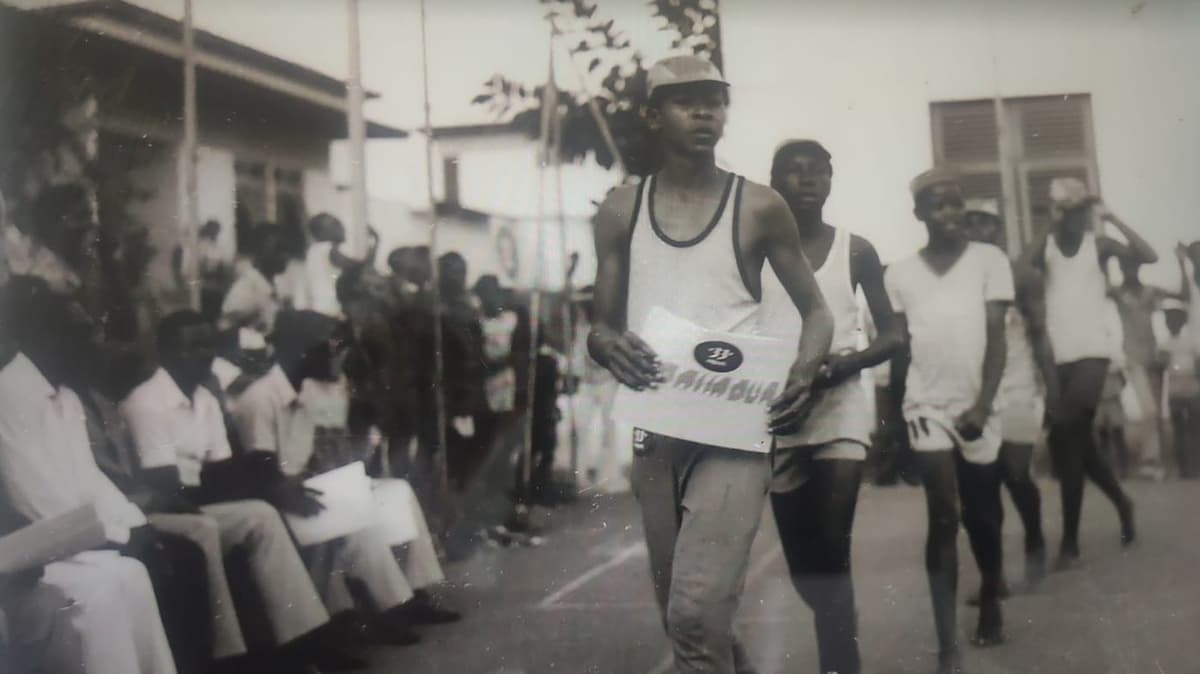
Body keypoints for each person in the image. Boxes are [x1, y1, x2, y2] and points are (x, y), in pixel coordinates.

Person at [589, 55, 833, 674]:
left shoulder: (758, 206)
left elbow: (817, 313)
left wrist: (803, 374)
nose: (704, 111)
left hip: (733, 428)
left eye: (715, 99)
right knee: (685, 614)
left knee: (695, 617)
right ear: (651, 115)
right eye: (685, 100)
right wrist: (604, 344)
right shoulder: (621, 208)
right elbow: (601, 325)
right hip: (657, 426)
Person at [120, 309, 370, 673]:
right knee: (260, 515)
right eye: (192, 346)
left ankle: (308, 641)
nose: (203, 353)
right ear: (166, 352)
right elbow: (166, 486)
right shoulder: (146, 402)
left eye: (208, 344)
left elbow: (221, 471)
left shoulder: (204, 397)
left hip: (197, 501)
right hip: (164, 511)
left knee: (268, 513)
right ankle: (248, 653)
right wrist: (262, 490)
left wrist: (271, 489)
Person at [0, 277, 200, 674]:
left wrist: (135, 525)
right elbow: (39, 502)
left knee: (135, 573)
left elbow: (92, 481)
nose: (96, 342)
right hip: (38, 553)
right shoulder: (7, 398)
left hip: (78, 544)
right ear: (48, 338)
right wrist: (122, 536)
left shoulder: (67, 398)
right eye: (84, 332)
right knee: (107, 585)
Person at [757, 139, 904, 674]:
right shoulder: (754, 251)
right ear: (774, 182)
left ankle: (841, 662)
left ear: (831, 180)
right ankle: (841, 629)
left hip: (841, 409)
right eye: (794, 173)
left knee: (832, 542)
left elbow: (892, 335)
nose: (808, 181)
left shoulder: (856, 249)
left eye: (818, 172)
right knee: (805, 566)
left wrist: (843, 364)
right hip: (780, 417)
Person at [231, 310, 460, 647]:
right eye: (333, 345)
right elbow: (262, 470)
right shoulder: (259, 399)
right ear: (303, 350)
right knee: (356, 522)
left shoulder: (309, 391)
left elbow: (322, 452)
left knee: (397, 492)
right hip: (282, 497)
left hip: (310, 486)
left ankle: (415, 593)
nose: (341, 353)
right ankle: (390, 610)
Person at [886, 170, 1012, 672]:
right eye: (939, 207)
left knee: (983, 514)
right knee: (943, 513)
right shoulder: (899, 274)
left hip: (979, 404)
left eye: (957, 206)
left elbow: (997, 340)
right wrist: (896, 424)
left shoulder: (989, 261)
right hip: (926, 407)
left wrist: (983, 405)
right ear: (919, 215)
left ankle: (992, 597)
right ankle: (946, 643)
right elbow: (899, 352)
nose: (952, 216)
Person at [1022, 176, 1142, 565]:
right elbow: (1022, 268)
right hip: (1059, 357)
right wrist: (1050, 224)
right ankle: (1122, 503)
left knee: (1067, 431)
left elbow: (1147, 255)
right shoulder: (1050, 247)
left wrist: (1114, 217)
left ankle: (1069, 542)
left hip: (1092, 353)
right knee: (1078, 444)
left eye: (1080, 211)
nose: (1075, 219)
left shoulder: (1099, 244)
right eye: (1068, 212)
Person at [962, 198, 1057, 597]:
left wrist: (1053, 393)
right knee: (980, 489)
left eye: (986, 224)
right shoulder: (958, 277)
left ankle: (1034, 538)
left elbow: (1040, 337)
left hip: (1019, 386)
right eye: (970, 223)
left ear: (999, 230)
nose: (977, 231)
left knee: (1016, 474)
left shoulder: (1021, 276)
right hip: (975, 389)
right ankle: (992, 575)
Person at [1110, 250, 1170, 478]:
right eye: (1125, 265)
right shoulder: (1116, 292)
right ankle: (1149, 460)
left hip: (1153, 357)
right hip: (1133, 358)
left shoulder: (1150, 291)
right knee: (1149, 409)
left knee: (1154, 412)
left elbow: (1183, 293)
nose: (1129, 270)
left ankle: (1158, 463)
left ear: (1138, 268)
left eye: (1133, 265)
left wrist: (1182, 264)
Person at [299, 213, 378, 317]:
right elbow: (362, 268)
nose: (342, 228)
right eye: (336, 224)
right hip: (329, 312)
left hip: (316, 310)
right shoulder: (328, 249)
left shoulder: (313, 250)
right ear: (323, 232)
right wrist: (375, 242)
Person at [220, 222, 289, 335]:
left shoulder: (279, 283)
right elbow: (225, 328)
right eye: (278, 250)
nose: (285, 256)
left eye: (287, 250)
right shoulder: (246, 288)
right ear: (259, 252)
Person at [1161, 299, 1199, 478]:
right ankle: (1184, 469)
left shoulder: (1190, 343)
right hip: (1175, 390)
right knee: (1179, 430)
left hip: (1191, 388)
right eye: (1169, 321)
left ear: (1182, 322)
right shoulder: (1164, 345)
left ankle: (1194, 467)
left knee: (1194, 428)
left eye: (1174, 320)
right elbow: (1162, 366)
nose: (1171, 324)